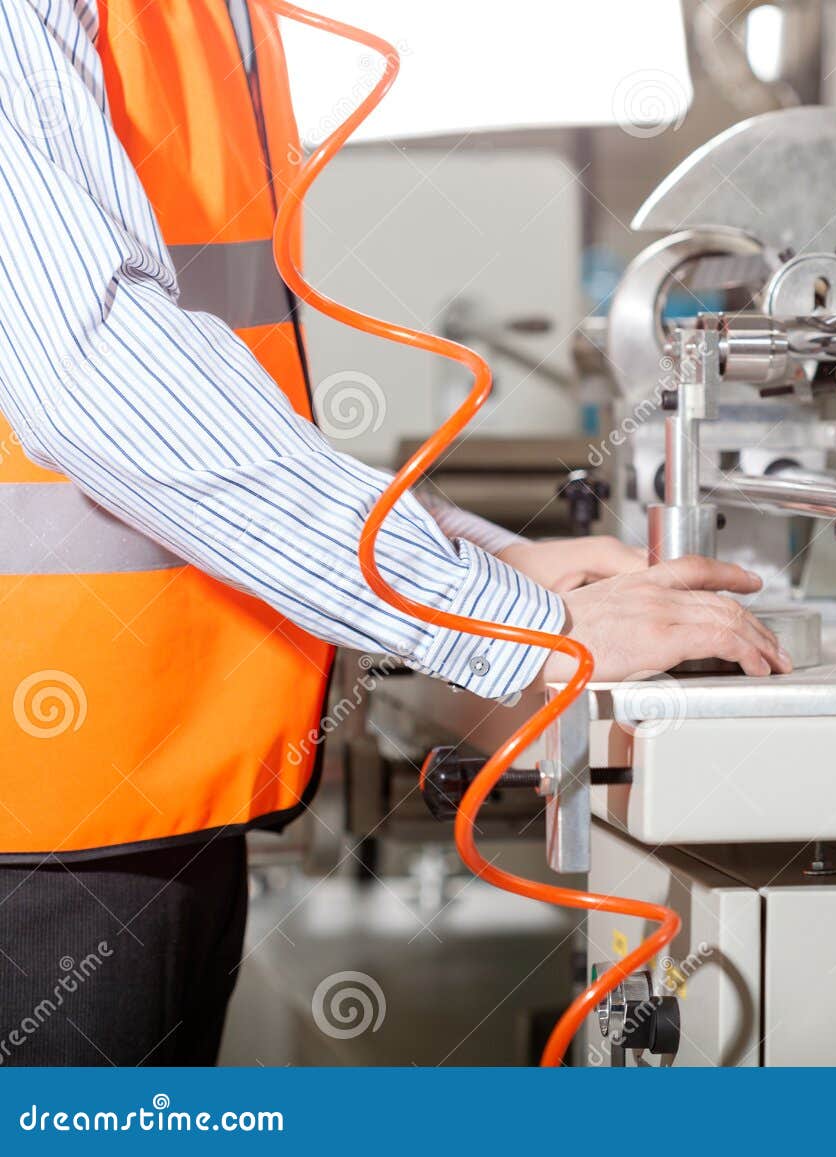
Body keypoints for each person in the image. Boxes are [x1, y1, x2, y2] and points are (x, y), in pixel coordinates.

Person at [0, 0, 787, 1065]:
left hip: (138, 785)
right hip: (43, 813)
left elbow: (200, 394)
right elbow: (95, 373)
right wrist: (510, 620)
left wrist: (479, 558)